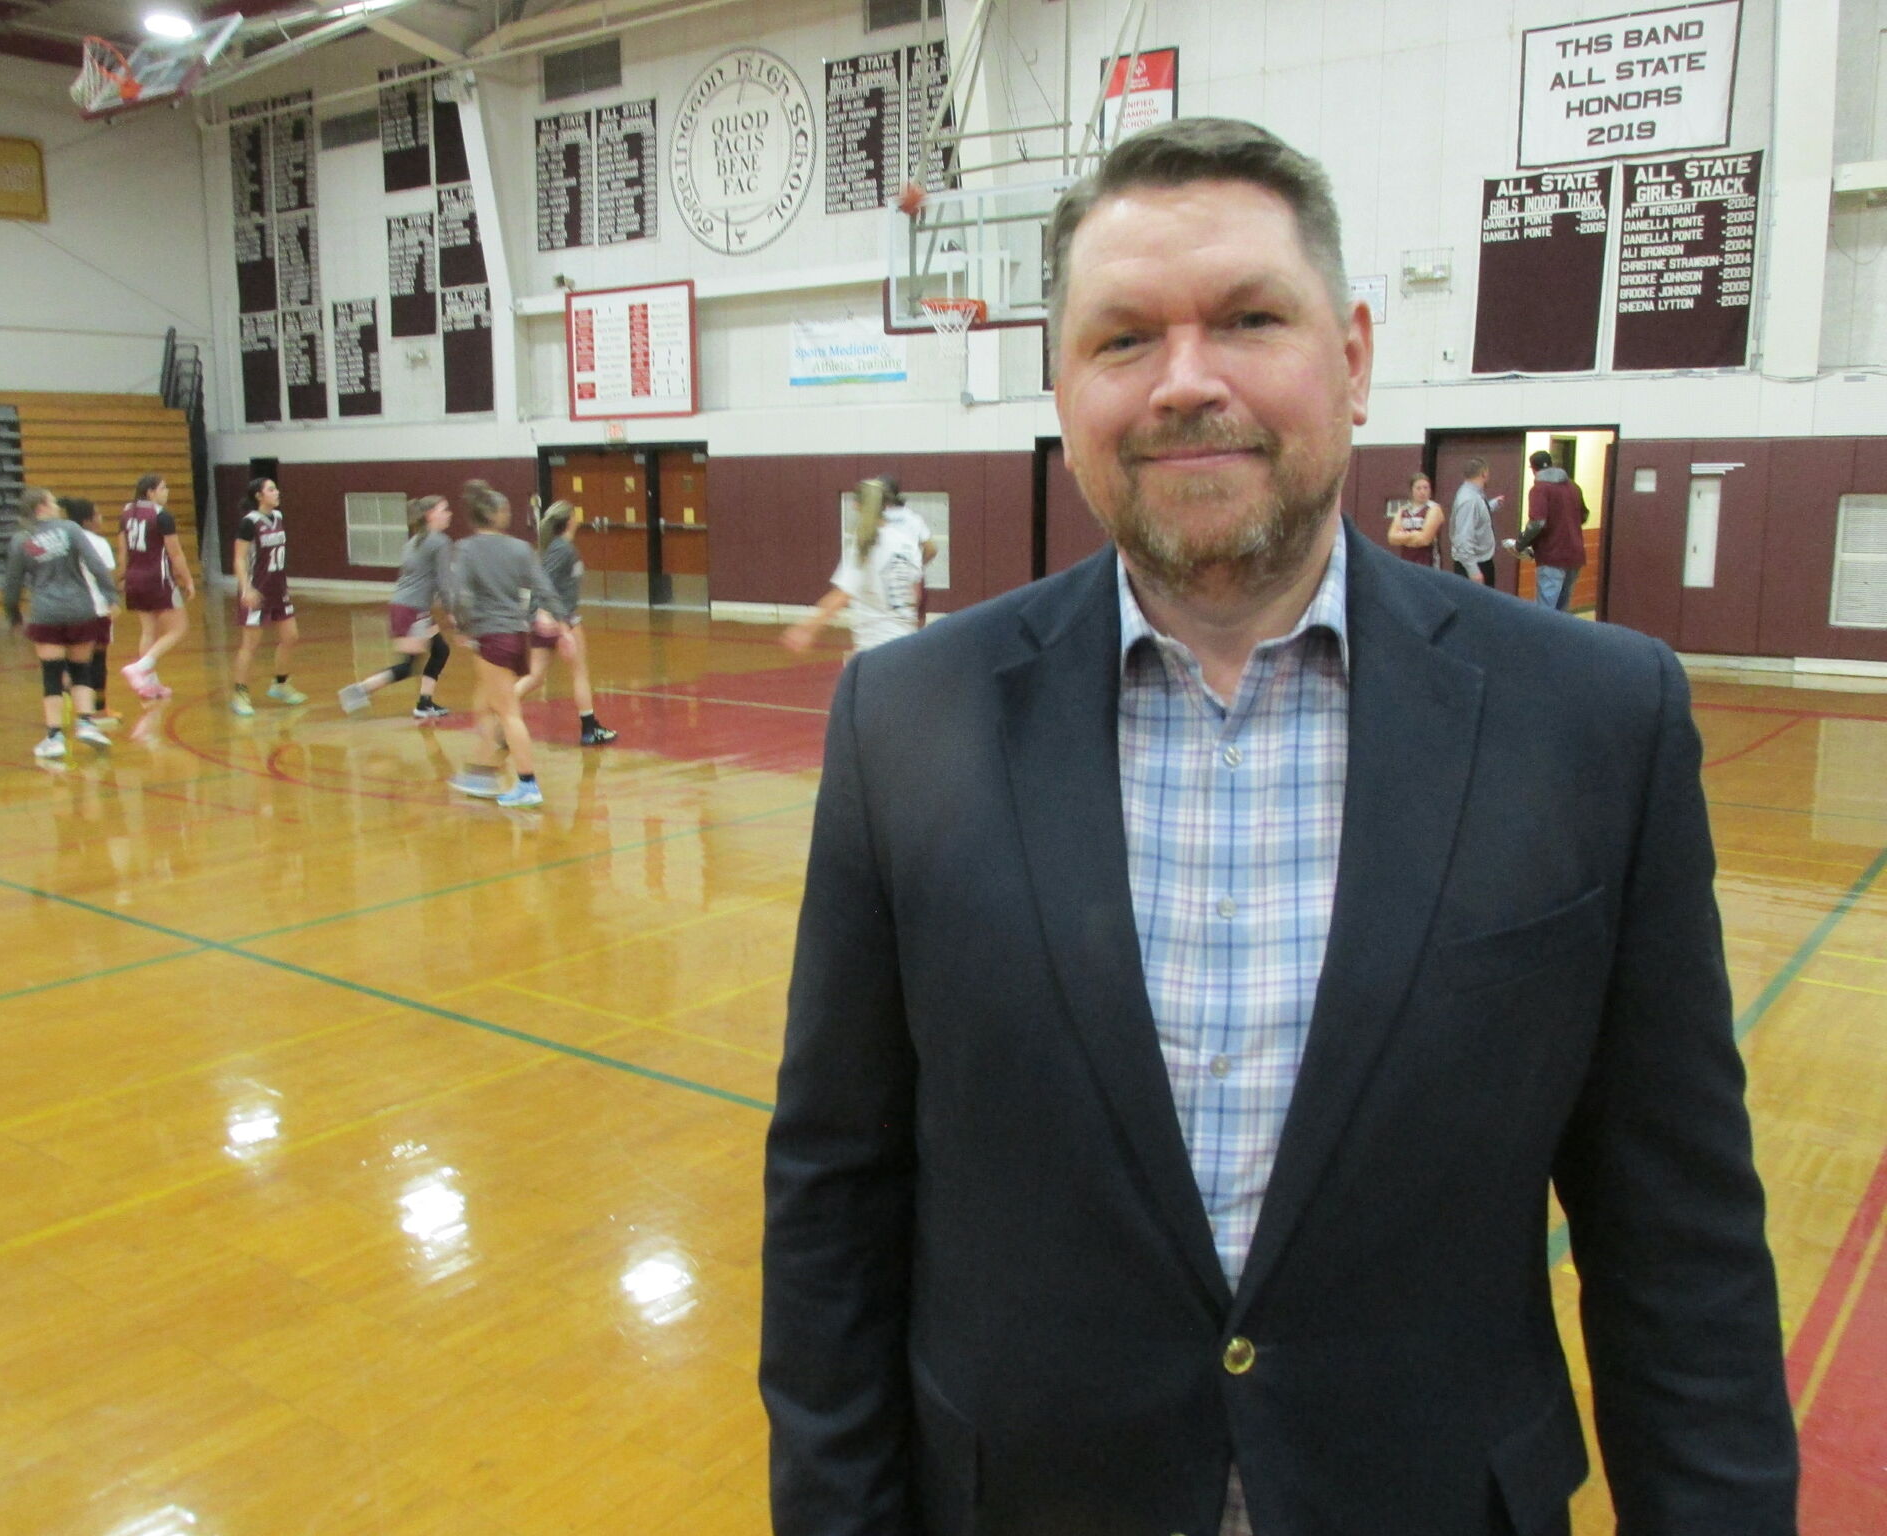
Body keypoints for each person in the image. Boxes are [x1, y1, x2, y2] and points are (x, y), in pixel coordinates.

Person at [762, 117, 1797, 1536]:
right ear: (1063, 391)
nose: (1190, 381)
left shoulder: (1595, 718)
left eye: (1250, 318)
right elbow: (835, 1201)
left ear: (1356, 357)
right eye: (1124, 338)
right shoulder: (905, 719)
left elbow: (1678, 1248)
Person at [444, 479, 562, 808]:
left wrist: (465, 628)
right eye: (506, 509)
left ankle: (527, 783)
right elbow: (545, 588)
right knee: (488, 706)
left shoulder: (466, 549)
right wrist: (562, 622)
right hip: (516, 636)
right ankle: (483, 772)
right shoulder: (521, 549)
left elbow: (458, 596)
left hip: (491, 637)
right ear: (494, 514)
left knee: (508, 713)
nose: (509, 513)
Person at [1, 486, 116, 761]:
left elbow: (12, 583)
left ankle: (54, 737)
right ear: (41, 506)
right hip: (80, 609)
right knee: (81, 670)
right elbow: (96, 565)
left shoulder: (21, 540)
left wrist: (13, 614)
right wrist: (110, 595)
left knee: (52, 675)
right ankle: (86, 723)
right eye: (52, 502)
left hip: (46, 613)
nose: (57, 506)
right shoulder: (70, 529)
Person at [780, 477, 930, 655]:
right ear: (886, 505)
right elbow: (915, 595)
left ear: (857, 506)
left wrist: (806, 627)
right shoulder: (908, 543)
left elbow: (842, 595)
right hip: (907, 644)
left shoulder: (864, 545)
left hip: (875, 647)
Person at [339, 495, 455, 721]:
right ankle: (360, 690)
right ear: (430, 514)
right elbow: (444, 582)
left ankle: (425, 703)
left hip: (405, 607)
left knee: (440, 650)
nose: (449, 513)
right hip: (413, 611)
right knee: (409, 665)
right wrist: (453, 612)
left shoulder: (414, 541)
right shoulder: (439, 541)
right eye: (444, 509)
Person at [513, 500, 617, 745]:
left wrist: (536, 614)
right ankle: (590, 729)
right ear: (569, 520)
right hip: (562, 618)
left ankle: (502, 712)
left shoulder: (554, 547)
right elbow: (543, 581)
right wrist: (546, 615)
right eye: (575, 513)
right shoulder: (562, 549)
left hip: (546, 619)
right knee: (580, 673)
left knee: (536, 676)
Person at [116, 473, 195, 701]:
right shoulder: (161, 516)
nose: (167, 491)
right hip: (157, 579)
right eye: (163, 488)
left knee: (148, 630)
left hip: (134, 577)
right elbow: (176, 553)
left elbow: (122, 552)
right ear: (150, 492)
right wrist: (187, 580)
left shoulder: (126, 513)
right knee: (179, 628)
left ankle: (149, 685)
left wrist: (121, 577)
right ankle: (141, 667)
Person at [230, 476, 303, 715]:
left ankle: (280, 685)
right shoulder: (249, 523)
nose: (277, 492)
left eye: (275, 488)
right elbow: (239, 558)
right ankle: (239, 694)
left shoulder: (279, 517)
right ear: (259, 496)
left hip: (278, 588)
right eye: (271, 489)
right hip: (257, 590)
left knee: (291, 637)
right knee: (250, 644)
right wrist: (246, 588)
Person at [58, 497, 121, 729]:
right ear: (87, 520)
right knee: (97, 660)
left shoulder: (61, 542)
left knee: (73, 658)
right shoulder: (98, 543)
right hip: (96, 608)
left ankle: (66, 698)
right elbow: (106, 576)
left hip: (68, 608)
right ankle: (99, 710)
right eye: (98, 514)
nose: (101, 518)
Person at [1514, 448, 1590, 611]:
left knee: (1546, 611)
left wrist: (1520, 543)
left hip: (1552, 557)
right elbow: (1584, 515)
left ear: (1533, 469)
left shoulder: (1540, 489)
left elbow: (1538, 523)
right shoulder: (1573, 487)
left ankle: (1545, 637)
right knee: (1562, 609)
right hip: (1574, 556)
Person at [1448, 457, 1501, 588]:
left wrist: (1492, 505)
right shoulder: (1469, 500)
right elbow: (1463, 538)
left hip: (1478, 561)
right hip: (1474, 564)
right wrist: (1473, 571)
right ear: (1484, 474)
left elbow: (1475, 517)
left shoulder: (1472, 494)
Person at [1385, 471, 1442, 566]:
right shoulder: (1403, 510)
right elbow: (1392, 537)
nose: (1422, 492)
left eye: (1426, 488)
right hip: (1407, 561)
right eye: (1418, 488)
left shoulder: (1434, 509)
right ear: (1411, 490)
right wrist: (1414, 535)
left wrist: (1404, 536)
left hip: (1428, 562)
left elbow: (1425, 539)